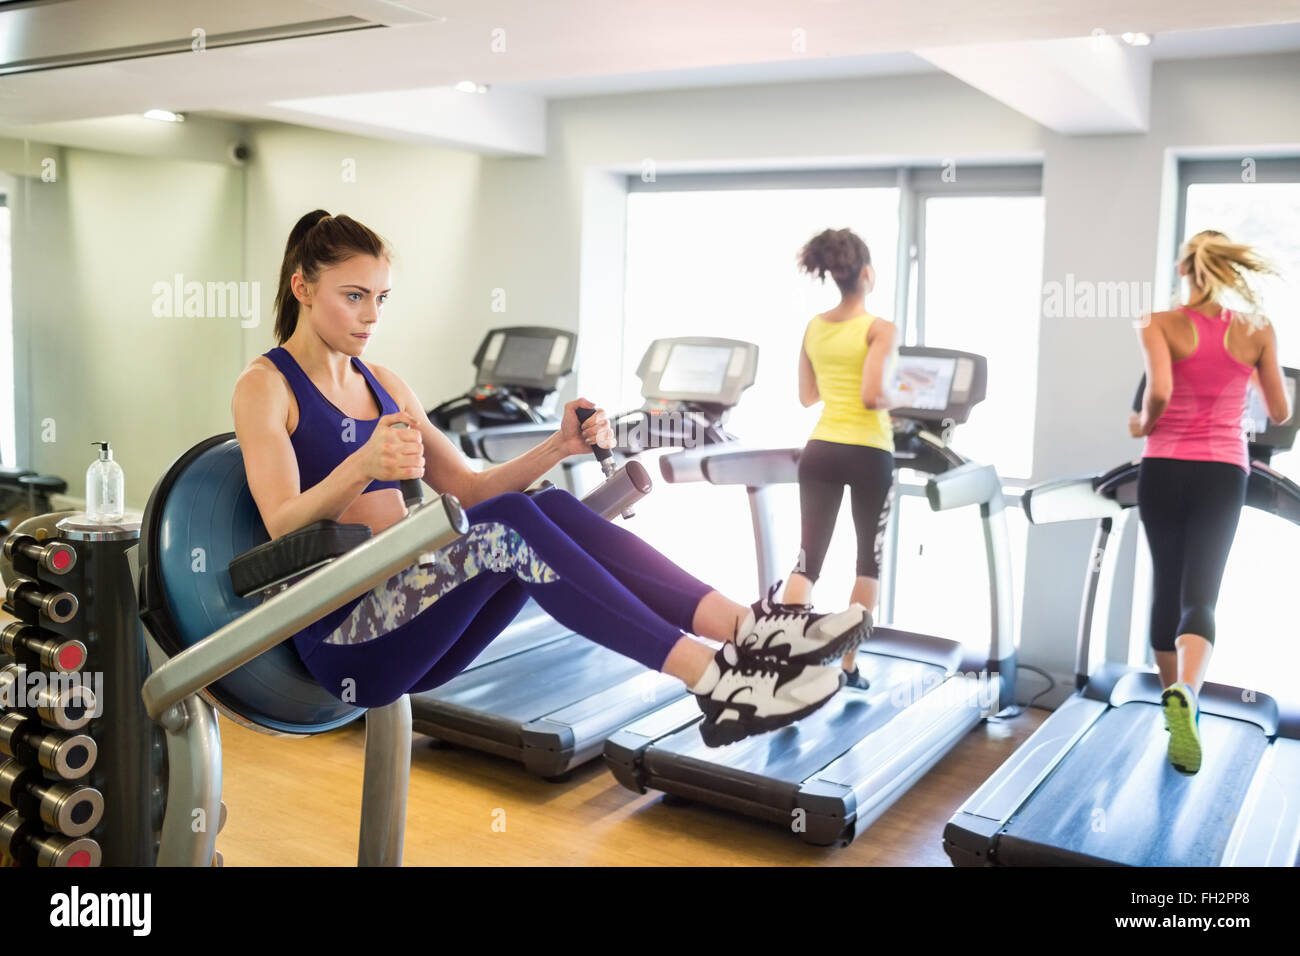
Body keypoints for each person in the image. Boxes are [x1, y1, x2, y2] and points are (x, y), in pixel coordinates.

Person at [230, 210, 872, 748]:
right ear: (303, 287)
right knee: (512, 527)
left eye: (381, 298)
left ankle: (749, 630)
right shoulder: (265, 386)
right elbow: (282, 524)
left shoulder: (385, 384)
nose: (371, 316)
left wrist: (558, 444)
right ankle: (711, 677)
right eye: (353, 296)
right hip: (346, 636)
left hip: (411, 608)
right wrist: (363, 466)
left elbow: (472, 491)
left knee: (550, 505)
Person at [1131, 229, 1292, 774]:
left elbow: (1158, 394)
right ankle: (1191, 701)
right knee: (1201, 594)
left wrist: (1140, 424)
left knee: (1165, 586)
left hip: (1164, 466)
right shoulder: (1257, 329)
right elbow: (1280, 411)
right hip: (1223, 470)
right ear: (1228, 271)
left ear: (1184, 270)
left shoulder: (1158, 323)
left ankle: (1172, 701)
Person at [778, 227, 898, 691]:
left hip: (821, 448)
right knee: (868, 563)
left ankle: (788, 661)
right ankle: (847, 667)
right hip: (870, 452)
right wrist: (904, 392)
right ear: (866, 274)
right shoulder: (879, 328)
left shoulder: (814, 326)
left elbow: (808, 396)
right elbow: (872, 396)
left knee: (807, 561)